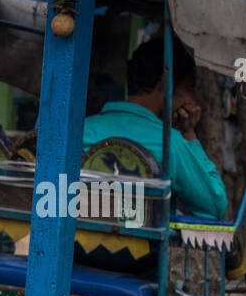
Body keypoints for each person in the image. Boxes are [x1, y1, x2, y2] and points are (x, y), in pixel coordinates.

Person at [83, 37, 228, 221]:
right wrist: (189, 134)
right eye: (189, 88)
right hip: (145, 248)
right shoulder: (170, 142)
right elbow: (214, 206)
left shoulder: (85, 130)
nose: (192, 99)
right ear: (166, 84)